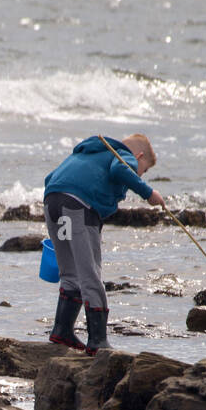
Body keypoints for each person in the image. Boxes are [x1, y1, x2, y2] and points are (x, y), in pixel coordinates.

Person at [42, 133, 165, 354]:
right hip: (78, 207)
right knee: (90, 274)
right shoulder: (123, 155)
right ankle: (98, 340)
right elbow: (120, 170)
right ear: (139, 156)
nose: (140, 172)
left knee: (70, 273)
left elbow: (50, 178)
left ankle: (62, 331)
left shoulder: (88, 154)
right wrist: (148, 193)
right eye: (143, 170)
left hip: (52, 203)